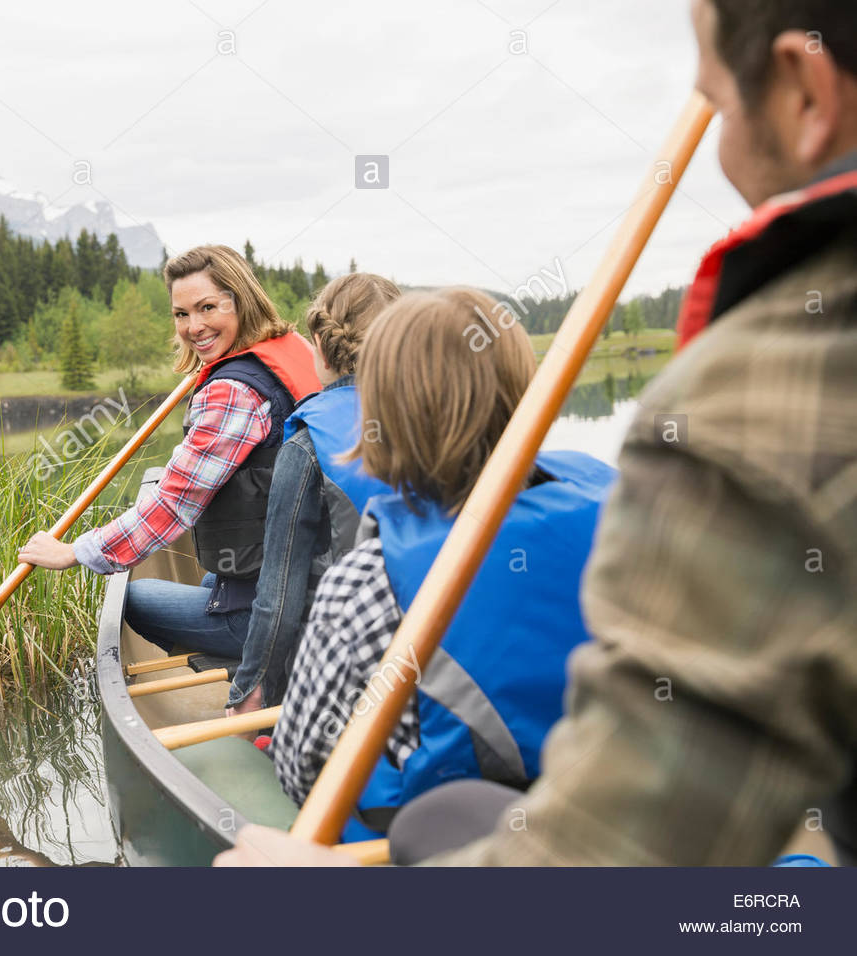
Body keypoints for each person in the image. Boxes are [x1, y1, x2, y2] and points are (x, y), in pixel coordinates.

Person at [216, 0, 857, 867]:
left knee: (434, 821)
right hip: (624, 795)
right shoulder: (601, 486)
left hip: (506, 827)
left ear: (807, 94)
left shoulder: (774, 393)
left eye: (721, 104)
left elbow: (301, 748)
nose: (723, 154)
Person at [270, 288, 617, 842]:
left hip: (462, 843)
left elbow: (301, 765)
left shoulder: (367, 581)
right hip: (628, 813)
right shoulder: (625, 508)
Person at [18, 245, 321, 659]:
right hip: (315, 581)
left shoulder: (232, 391)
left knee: (135, 598)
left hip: (278, 610)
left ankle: (256, 667)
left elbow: (175, 503)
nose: (193, 327)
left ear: (241, 301)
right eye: (182, 314)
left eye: (208, 307)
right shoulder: (291, 348)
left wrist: (75, 552)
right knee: (211, 583)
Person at [227, 273, 401, 717]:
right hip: (425, 638)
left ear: (320, 346)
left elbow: (278, 596)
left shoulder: (307, 442)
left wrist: (249, 690)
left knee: (150, 600)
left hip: (342, 656)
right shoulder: (442, 417)